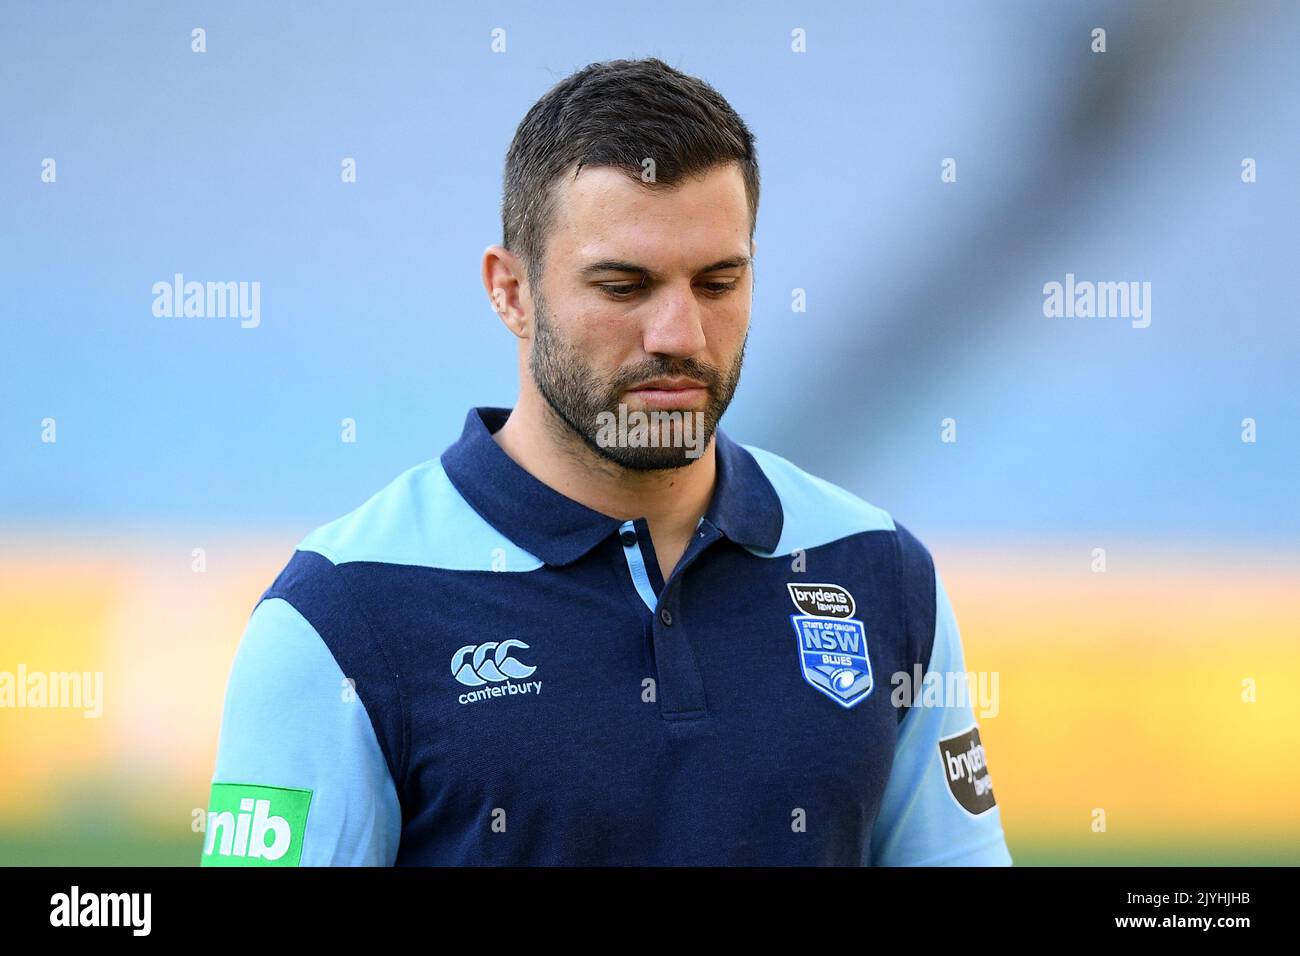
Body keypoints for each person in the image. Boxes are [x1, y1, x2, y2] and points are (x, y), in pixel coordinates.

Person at [200, 57, 1011, 866]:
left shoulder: (879, 573)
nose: (680, 335)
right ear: (511, 292)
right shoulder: (342, 616)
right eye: (624, 286)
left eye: (718, 282)